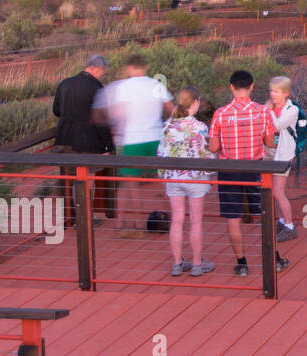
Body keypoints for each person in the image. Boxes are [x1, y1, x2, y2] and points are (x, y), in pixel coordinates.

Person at [207, 69, 283, 275]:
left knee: (233, 218)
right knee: (264, 215)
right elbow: (269, 142)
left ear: (231, 87)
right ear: (251, 86)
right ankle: (274, 258)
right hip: (255, 169)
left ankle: (242, 263)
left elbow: (213, 148)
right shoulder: (262, 111)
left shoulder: (220, 114)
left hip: (229, 170)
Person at [92, 54, 173, 238]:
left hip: (132, 139)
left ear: (130, 67)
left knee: (130, 183)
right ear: (145, 67)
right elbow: (171, 109)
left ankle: (134, 224)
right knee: (163, 181)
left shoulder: (123, 87)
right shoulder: (156, 85)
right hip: (155, 137)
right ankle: (171, 219)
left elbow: (118, 113)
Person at [157, 87, 216, 277]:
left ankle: (177, 263)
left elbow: (161, 154)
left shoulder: (167, 126)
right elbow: (207, 155)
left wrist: (163, 176)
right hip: (195, 178)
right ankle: (198, 264)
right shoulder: (200, 127)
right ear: (196, 102)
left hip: (173, 177)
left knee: (177, 220)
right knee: (196, 222)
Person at [52, 55, 115, 226]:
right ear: (97, 68)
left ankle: (79, 217)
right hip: (90, 141)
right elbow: (102, 121)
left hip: (68, 139)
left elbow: (57, 110)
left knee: (77, 179)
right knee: (89, 178)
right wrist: (107, 146)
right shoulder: (97, 88)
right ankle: (87, 218)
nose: (103, 76)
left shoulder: (65, 83)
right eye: (103, 73)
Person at [265, 76, 300, 243]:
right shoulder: (274, 108)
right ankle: (281, 221)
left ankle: (290, 226)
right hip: (270, 154)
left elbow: (276, 126)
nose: (273, 95)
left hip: (283, 156)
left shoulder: (291, 110)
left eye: (276, 92)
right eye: (271, 91)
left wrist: (268, 110)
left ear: (285, 93)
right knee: (273, 192)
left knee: (278, 192)